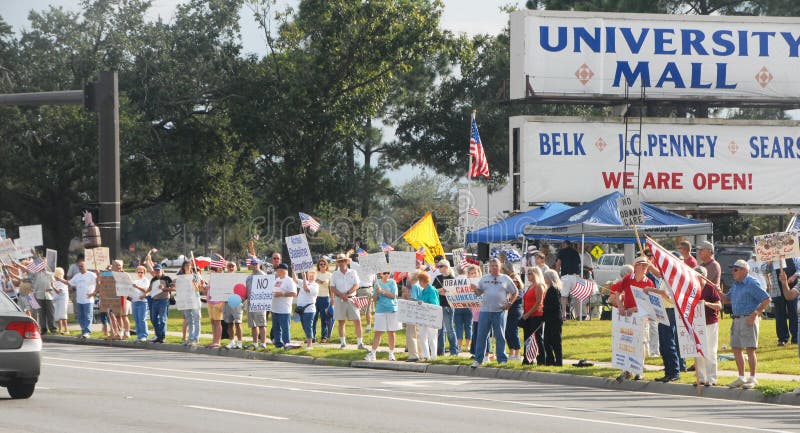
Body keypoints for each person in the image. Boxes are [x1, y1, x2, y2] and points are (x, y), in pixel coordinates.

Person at [720, 259, 770, 389]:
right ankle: (741, 377)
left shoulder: (752, 283)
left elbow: (766, 299)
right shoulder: (736, 284)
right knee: (736, 348)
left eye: (736, 269)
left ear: (744, 270)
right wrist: (718, 291)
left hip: (748, 318)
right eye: (733, 269)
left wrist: (755, 314)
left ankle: (753, 378)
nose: (733, 272)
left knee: (750, 349)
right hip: (736, 319)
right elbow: (726, 299)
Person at [609, 256, 652, 381]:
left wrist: (635, 308)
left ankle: (640, 369)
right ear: (636, 266)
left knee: (641, 341)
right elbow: (616, 291)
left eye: (646, 266)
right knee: (627, 341)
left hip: (641, 315)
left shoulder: (648, 282)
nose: (645, 268)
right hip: (627, 315)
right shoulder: (628, 279)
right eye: (642, 265)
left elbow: (649, 303)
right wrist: (620, 305)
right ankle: (626, 369)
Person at [642, 250, 682, 383]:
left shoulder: (676, 276)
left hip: (671, 311)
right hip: (663, 310)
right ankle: (668, 371)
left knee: (668, 342)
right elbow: (658, 273)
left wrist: (651, 290)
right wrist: (648, 262)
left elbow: (668, 294)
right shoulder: (668, 275)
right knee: (663, 344)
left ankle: (674, 371)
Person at [470, 258, 518, 368]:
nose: (494, 267)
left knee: (500, 336)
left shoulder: (505, 278)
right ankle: (478, 360)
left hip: (499, 311)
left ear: (500, 267)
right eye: (492, 266)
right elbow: (479, 293)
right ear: (489, 267)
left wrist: (509, 303)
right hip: (485, 311)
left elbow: (515, 292)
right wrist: (475, 289)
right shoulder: (484, 278)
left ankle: (502, 359)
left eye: (496, 265)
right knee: (481, 336)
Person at [693, 266, 722, 386]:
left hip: (710, 322)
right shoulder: (692, 288)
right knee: (698, 351)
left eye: (700, 275)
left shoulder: (710, 288)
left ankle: (712, 378)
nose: (697, 277)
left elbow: (719, 305)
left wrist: (707, 303)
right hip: (696, 323)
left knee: (710, 351)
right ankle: (701, 377)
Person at [330, 253, 366, 349]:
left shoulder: (353, 272)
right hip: (339, 299)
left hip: (351, 298)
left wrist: (347, 293)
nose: (341, 263)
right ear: (337, 263)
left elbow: (357, 285)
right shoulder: (335, 274)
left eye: (343, 261)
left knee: (357, 320)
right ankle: (342, 343)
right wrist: (341, 295)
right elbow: (332, 287)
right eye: (339, 261)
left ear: (346, 262)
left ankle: (360, 343)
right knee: (341, 321)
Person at [364, 271, 400, 361]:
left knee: (391, 332)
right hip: (380, 310)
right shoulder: (377, 283)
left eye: (388, 273)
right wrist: (376, 292)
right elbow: (375, 299)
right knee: (378, 333)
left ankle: (391, 353)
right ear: (380, 274)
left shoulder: (392, 282)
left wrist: (382, 292)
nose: (387, 275)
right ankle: (373, 353)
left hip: (392, 309)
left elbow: (393, 296)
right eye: (384, 273)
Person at [62, 257, 97, 338]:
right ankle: (83, 331)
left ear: (86, 266)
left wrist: (94, 292)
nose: (80, 268)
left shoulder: (91, 275)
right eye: (79, 266)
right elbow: (69, 282)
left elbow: (99, 283)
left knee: (87, 316)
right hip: (79, 300)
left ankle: (87, 332)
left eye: (82, 266)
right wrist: (60, 279)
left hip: (88, 300)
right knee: (80, 317)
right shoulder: (77, 276)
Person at [144, 252, 174, 344]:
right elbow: (149, 289)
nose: (157, 272)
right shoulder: (153, 279)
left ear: (161, 270)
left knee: (162, 318)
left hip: (164, 300)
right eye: (156, 271)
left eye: (158, 271)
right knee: (153, 319)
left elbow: (173, 288)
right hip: (154, 301)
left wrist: (164, 288)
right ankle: (158, 334)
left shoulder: (167, 278)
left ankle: (162, 336)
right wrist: (142, 292)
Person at [520, 267, 545, 365]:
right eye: (528, 273)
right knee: (527, 338)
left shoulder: (539, 286)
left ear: (536, 274)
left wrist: (528, 314)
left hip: (536, 316)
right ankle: (527, 359)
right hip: (528, 315)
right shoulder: (530, 286)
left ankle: (541, 360)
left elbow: (539, 302)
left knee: (537, 338)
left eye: (530, 273)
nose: (528, 275)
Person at [772, 257, 799, 345]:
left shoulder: (794, 256)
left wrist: (794, 276)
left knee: (793, 312)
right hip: (777, 289)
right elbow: (764, 270)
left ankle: (795, 337)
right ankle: (782, 338)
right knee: (780, 314)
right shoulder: (771, 257)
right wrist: (769, 262)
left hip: (792, 286)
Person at [434, 259, 458, 356]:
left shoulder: (452, 278)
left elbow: (452, 293)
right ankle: (440, 352)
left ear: (446, 267)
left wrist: (444, 291)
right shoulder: (437, 277)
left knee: (449, 329)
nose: (438, 268)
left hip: (448, 306)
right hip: (439, 305)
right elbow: (434, 290)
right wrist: (442, 290)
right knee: (440, 330)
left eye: (440, 266)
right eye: (438, 266)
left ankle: (454, 351)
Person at [270, 263, 297, 348]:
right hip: (274, 308)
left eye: (277, 270)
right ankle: (278, 344)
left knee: (285, 328)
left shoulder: (289, 280)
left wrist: (282, 293)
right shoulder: (276, 280)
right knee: (276, 328)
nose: (276, 271)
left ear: (282, 270)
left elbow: (294, 293)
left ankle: (287, 343)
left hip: (284, 309)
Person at [415, 271, 440, 361]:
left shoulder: (431, 290)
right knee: (422, 336)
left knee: (432, 337)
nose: (419, 282)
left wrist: (423, 304)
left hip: (431, 316)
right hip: (423, 316)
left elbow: (434, 304)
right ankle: (426, 356)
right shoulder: (423, 290)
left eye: (419, 280)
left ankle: (433, 356)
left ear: (423, 281)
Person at [177, 261, 202, 346]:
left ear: (191, 266)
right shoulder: (181, 277)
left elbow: (198, 289)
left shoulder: (195, 276)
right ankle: (191, 337)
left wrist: (194, 283)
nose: (188, 267)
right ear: (183, 267)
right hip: (186, 300)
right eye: (186, 265)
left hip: (195, 298)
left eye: (189, 265)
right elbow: (179, 289)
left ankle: (196, 337)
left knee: (196, 318)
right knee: (189, 319)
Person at [245, 258, 268, 349]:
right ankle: (255, 343)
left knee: (261, 324)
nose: (254, 266)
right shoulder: (249, 277)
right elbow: (247, 291)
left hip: (260, 302)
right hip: (250, 302)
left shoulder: (263, 275)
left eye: (256, 264)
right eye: (252, 264)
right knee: (253, 324)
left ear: (259, 264)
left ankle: (263, 343)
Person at [542, 269, 564, 366]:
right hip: (549, 318)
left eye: (545, 277)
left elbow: (555, 305)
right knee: (547, 341)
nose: (544, 279)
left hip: (554, 319)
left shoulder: (554, 290)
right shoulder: (550, 289)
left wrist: (543, 308)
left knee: (555, 341)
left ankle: (558, 361)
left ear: (550, 278)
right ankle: (550, 359)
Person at [293, 267, 319, 349]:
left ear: (315, 277)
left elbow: (306, 289)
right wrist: (294, 270)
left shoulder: (315, 285)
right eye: (309, 275)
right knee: (304, 326)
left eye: (312, 276)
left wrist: (304, 278)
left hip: (309, 310)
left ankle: (310, 345)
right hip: (301, 309)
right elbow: (295, 279)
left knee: (308, 326)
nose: (311, 277)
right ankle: (309, 342)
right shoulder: (305, 281)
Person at [555, 241, 581, 320]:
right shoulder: (575, 252)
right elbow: (579, 264)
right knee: (577, 297)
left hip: (565, 276)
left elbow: (558, 264)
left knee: (564, 296)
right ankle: (578, 315)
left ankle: (564, 315)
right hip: (575, 276)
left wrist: (556, 275)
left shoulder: (561, 252)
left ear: (564, 244)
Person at [505, 272, 525, 361]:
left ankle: (517, 352)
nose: (513, 283)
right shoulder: (507, 291)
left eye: (515, 281)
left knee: (513, 332)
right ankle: (511, 351)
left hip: (515, 314)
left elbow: (515, 299)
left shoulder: (520, 291)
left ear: (518, 282)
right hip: (507, 314)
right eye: (511, 281)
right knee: (507, 333)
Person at [313, 259, 333, 343]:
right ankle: (312, 337)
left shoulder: (329, 275)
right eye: (320, 264)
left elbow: (331, 288)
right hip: (315, 298)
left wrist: (332, 298)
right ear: (318, 265)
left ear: (327, 265)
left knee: (324, 318)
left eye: (324, 264)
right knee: (313, 318)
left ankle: (324, 337)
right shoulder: (315, 274)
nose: (322, 265)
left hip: (325, 298)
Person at [131, 265, 151, 342]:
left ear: (144, 272)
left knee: (142, 319)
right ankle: (139, 335)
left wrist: (137, 287)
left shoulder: (146, 280)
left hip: (142, 302)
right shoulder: (135, 281)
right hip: (134, 301)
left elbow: (146, 290)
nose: (140, 273)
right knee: (137, 319)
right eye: (138, 272)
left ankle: (144, 335)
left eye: (141, 272)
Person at [51, 267, 69, 334]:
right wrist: (49, 289)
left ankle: (66, 330)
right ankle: (60, 330)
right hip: (56, 300)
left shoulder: (63, 282)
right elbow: (53, 290)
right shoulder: (55, 282)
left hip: (62, 300)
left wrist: (52, 286)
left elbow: (58, 291)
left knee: (63, 314)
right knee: (58, 315)